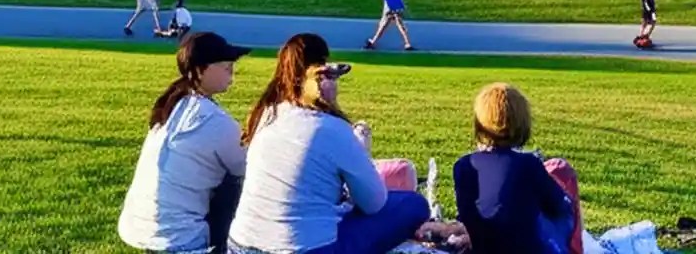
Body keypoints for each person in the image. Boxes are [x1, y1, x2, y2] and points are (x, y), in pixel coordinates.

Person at [229, 34, 430, 254]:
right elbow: (374, 203)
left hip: (241, 242)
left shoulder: (267, 114)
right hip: (300, 247)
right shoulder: (330, 127)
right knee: (412, 204)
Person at [118, 32, 251, 253]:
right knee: (241, 184)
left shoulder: (171, 108)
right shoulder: (214, 121)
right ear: (199, 70)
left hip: (138, 226)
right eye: (225, 64)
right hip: (180, 238)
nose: (231, 69)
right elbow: (251, 167)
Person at [453, 84, 574, 254]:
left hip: (483, 248)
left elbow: (467, 216)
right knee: (565, 215)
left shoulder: (463, 166)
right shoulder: (528, 164)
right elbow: (558, 206)